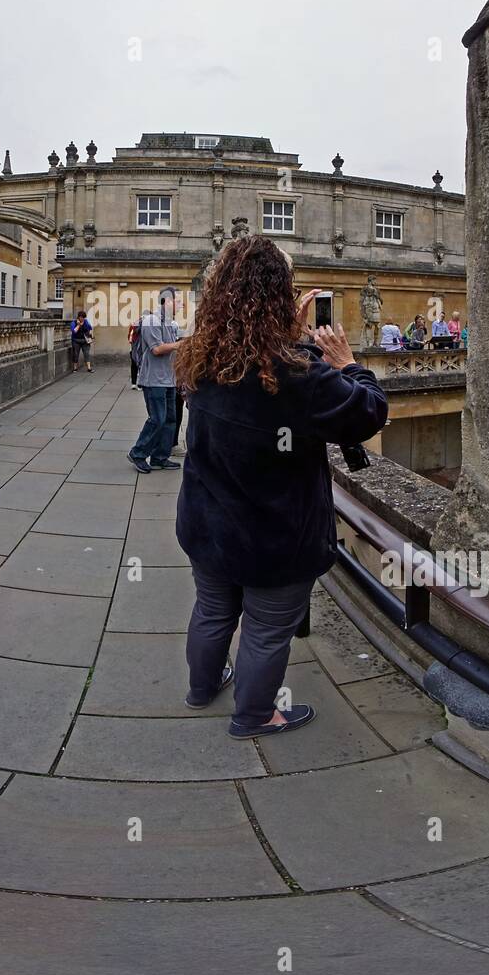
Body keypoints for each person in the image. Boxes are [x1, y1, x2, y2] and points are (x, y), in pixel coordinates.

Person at [175, 233, 387, 740]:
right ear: (278, 296)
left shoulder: (200, 356)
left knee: (211, 609)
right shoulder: (298, 374)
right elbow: (368, 413)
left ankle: (201, 688)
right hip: (274, 536)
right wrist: (347, 363)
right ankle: (253, 717)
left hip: (208, 524)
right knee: (267, 631)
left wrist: (285, 332)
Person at [130, 290, 187, 474]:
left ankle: (159, 458)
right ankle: (138, 453)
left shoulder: (169, 323)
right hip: (153, 379)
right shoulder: (151, 321)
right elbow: (156, 349)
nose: (182, 305)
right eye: (178, 301)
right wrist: (180, 344)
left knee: (170, 419)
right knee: (157, 419)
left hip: (169, 379)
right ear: (168, 301)